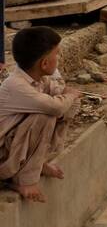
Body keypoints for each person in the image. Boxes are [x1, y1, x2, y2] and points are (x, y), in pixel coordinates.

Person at [0, 27, 80, 202]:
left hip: (13, 151)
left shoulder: (41, 80)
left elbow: (66, 100)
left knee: (60, 106)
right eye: (57, 55)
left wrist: (68, 98)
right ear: (44, 63)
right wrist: (70, 95)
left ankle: (37, 164)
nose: (58, 59)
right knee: (46, 115)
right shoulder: (15, 85)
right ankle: (24, 180)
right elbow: (56, 107)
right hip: (3, 156)